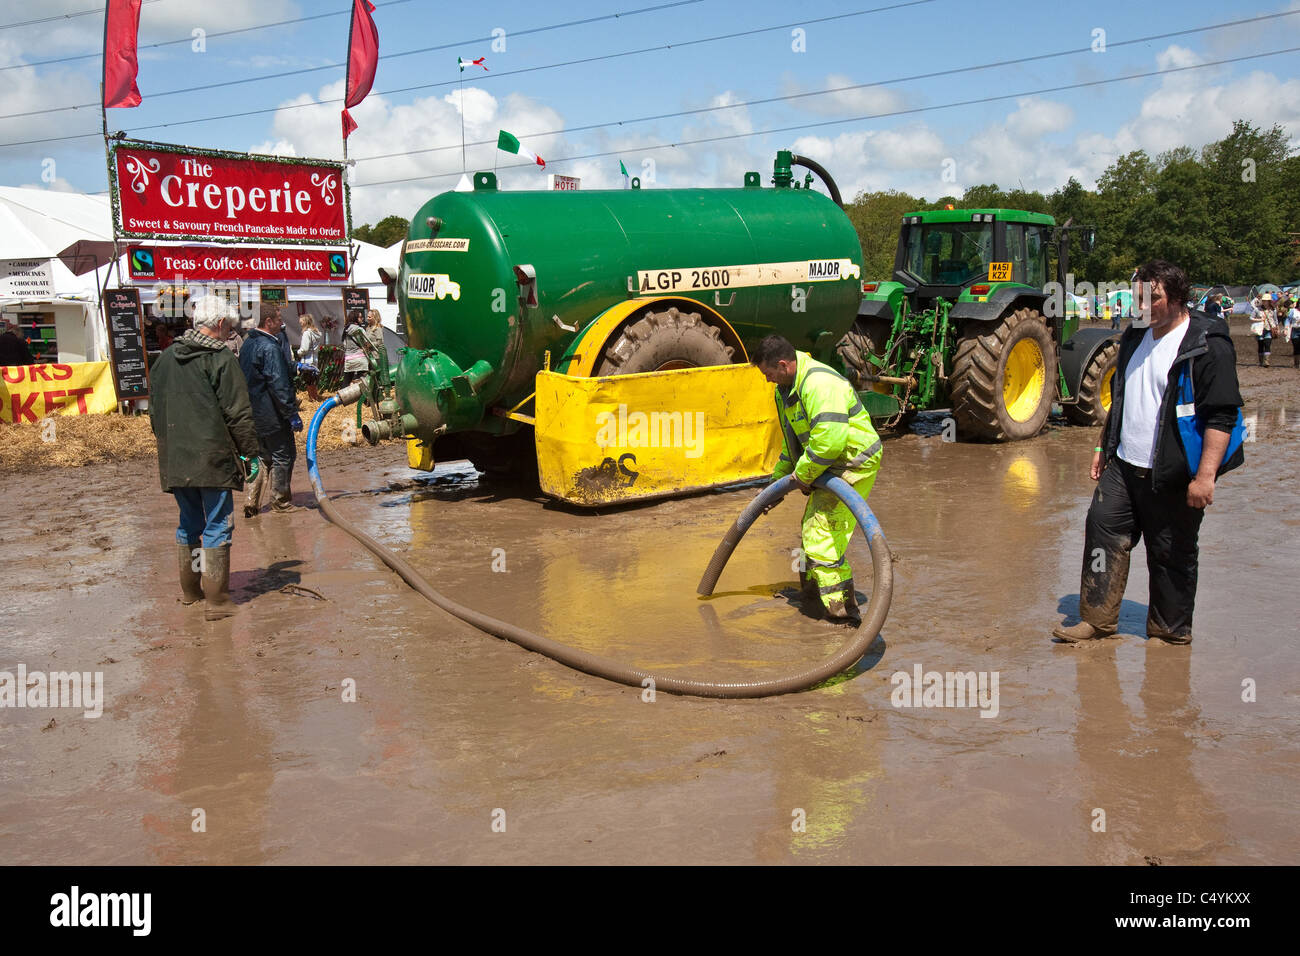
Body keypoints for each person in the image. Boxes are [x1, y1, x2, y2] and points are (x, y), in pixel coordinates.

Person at [1054, 260, 1244, 646]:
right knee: (1102, 535)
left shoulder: (1207, 345)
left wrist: (1205, 477)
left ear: (1176, 299)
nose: (1141, 304)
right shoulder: (1133, 336)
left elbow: (1221, 416)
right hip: (1123, 467)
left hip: (1175, 473)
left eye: (1151, 297)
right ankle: (1097, 620)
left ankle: (1168, 633)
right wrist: (1101, 447)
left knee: (1170, 553)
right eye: (1137, 295)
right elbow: (1121, 398)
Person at [752, 334, 883, 624]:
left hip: (852, 462)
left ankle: (843, 615)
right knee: (811, 526)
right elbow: (792, 447)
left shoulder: (820, 385)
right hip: (827, 464)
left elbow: (829, 444)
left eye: (769, 374)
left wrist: (802, 476)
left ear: (783, 365)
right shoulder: (785, 390)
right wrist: (773, 489)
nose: (767, 380)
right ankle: (812, 595)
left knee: (821, 535)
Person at [148, 296, 261, 620]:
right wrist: (250, 455)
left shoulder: (165, 359)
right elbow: (238, 413)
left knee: (188, 524)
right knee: (217, 526)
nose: (231, 333)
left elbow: (154, 415)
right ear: (222, 325)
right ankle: (217, 600)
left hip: (177, 460)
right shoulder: (221, 359)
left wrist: (171, 447)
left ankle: (190, 592)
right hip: (212, 459)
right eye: (231, 327)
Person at [238, 305, 303, 515]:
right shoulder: (269, 347)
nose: (281, 322)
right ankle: (280, 501)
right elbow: (278, 382)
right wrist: (291, 413)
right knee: (283, 455)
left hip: (252, 412)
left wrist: (298, 367)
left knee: (261, 458)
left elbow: (270, 369)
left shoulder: (248, 344)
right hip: (272, 413)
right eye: (278, 319)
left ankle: (251, 501)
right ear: (268, 322)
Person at [297, 314, 323, 401]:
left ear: (305, 321)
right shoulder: (315, 332)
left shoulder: (307, 333)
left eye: (301, 321)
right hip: (314, 358)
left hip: (307, 360)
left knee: (308, 380)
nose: (300, 322)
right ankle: (315, 396)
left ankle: (312, 398)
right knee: (313, 380)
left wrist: (298, 352)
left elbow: (304, 348)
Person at [1250, 297, 1276, 367]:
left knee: (1267, 345)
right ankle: (1261, 362)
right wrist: (1259, 320)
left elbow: (1275, 320)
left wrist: (1276, 328)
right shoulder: (1257, 309)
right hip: (1260, 330)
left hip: (1269, 329)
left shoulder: (1273, 310)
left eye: (1266, 301)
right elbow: (1251, 318)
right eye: (1264, 301)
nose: (1265, 302)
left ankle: (1266, 362)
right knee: (1261, 345)